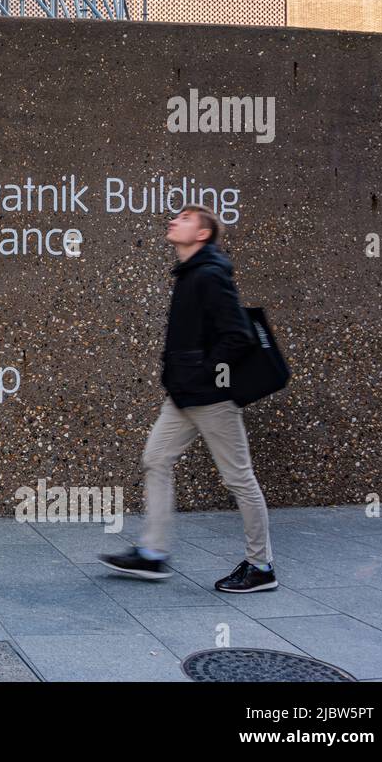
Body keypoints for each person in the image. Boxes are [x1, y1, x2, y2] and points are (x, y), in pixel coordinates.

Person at [99, 204, 277, 593]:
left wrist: (204, 374)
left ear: (202, 234)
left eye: (184, 218)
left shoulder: (211, 275)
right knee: (156, 459)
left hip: (210, 398)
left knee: (238, 478)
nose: (173, 221)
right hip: (183, 397)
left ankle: (261, 565)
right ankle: (154, 553)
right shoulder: (189, 274)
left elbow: (238, 335)